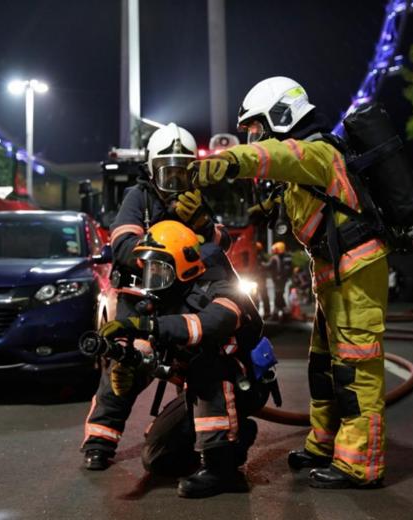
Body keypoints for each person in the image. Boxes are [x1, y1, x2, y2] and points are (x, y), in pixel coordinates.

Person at [190, 76, 389, 489]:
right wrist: (267, 206)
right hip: (335, 274)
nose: (254, 136)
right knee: (323, 368)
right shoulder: (308, 168)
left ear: (282, 115)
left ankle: (360, 465)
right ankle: (324, 443)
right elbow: (296, 187)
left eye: (257, 128)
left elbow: (278, 155)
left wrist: (230, 160)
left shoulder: (316, 152)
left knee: (354, 370)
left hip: (356, 272)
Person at [82, 123, 231, 472]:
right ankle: (99, 442)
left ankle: (191, 439)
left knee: (199, 366)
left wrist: (204, 225)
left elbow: (220, 245)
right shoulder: (139, 198)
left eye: (184, 171)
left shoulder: (197, 203)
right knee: (125, 367)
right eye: (169, 171)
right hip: (142, 297)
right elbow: (122, 246)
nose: (176, 180)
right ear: (152, 168)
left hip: (185, 299)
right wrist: (161, 253)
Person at [95, 220, 265, 498]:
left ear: (184, 264)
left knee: (207, 366)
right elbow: (154, 344)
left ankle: (222, 471)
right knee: (159, 459)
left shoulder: (219, 286)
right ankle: (234, 437)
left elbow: (209, 324)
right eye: (149, 269)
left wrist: (150, 327)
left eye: (160, 269)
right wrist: (129, 360)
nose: (153, 278)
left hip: (241, 382)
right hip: (201, 394)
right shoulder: (169, 293)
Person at [267, 241, 293, 318]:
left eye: (276, 249)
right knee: (278, 295)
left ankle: (283, 312)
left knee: (279, 295)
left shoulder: (283, 257)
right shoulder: (281, 257)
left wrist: (280, 276)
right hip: (280, 279)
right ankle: (281, 311)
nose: (275, 251)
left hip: (280, 280)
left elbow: (286, 270)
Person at [254, 241, 272, 318]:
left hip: (259, 278)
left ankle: (262, 312)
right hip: (259, 278)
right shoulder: (260, 256)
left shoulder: (258, 256)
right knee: (261, 295)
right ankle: (266, 312)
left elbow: (265, 266)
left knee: (258, 295)